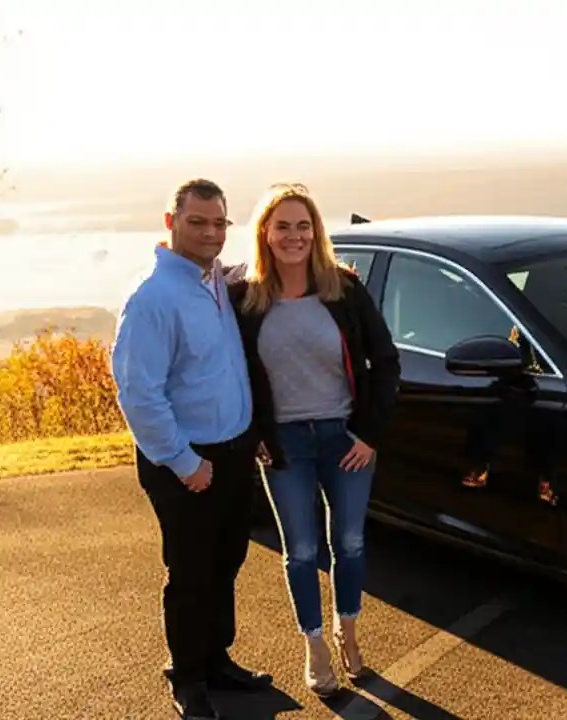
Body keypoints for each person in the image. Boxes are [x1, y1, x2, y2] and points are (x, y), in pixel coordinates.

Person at [228, 182, 400, 696]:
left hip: (345, 438)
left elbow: (386, 360)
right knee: (301, 550)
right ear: (265, 233)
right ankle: (315, 646)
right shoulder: (245, 298)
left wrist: (369, 434)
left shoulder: (343, 288)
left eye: (303, 225)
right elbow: (234, 372)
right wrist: (255, 433)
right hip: (285, 445)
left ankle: (349, 635)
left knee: (348, 542)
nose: (294, 236)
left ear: (316, 232)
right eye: (282, 226)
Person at [110, 178, 272, 720]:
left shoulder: (215, 283)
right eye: (196, 222)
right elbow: (139, 394)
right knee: (191, 570)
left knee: (227, 560)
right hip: (185, 459)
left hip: (231, 452)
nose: (209, 232)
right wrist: (185, 463)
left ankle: (215, 657)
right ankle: (188, 677)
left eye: (219, 223)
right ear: (170, 223)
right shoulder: (154, 297)